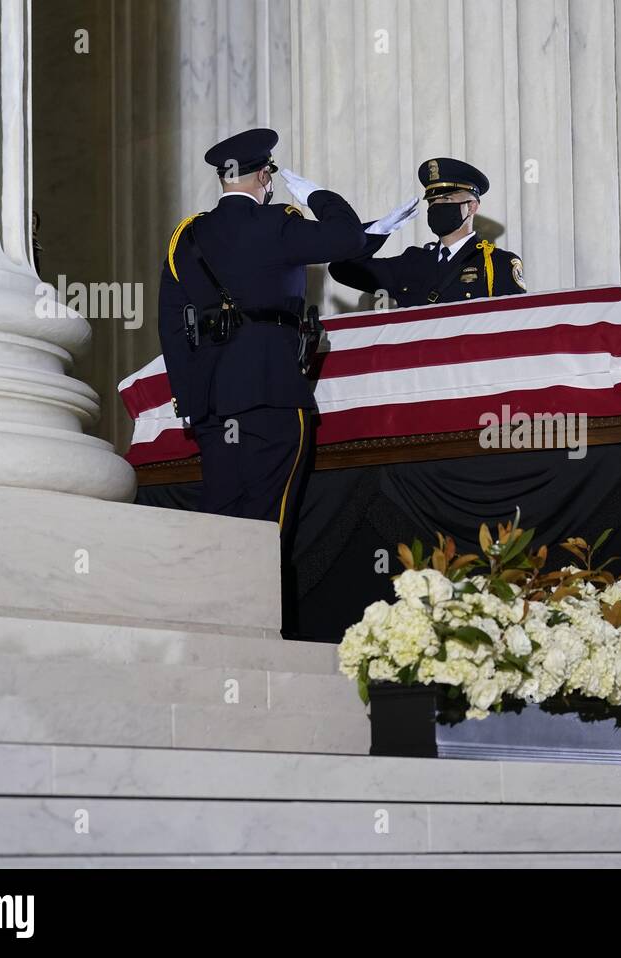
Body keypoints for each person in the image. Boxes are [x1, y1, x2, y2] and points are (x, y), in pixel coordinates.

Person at [157, 127, 365, 637]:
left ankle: (214, 625)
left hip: (211, 402)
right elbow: (349, 237)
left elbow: (170, 322)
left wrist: (190, 401)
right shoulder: (278, 223)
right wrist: (315, 193)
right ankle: (257, 632)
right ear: (265, 176)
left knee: (222, 516)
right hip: (272, 393)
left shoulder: (188, 236)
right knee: (268, 519)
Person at [329, 157, 526, 307]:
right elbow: (342, 268)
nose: (437, 206)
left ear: (472, 207)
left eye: (447, 199)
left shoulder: (497, 264)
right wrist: (380, 230)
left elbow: (513, 327)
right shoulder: (412, 263)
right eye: (432, 201)